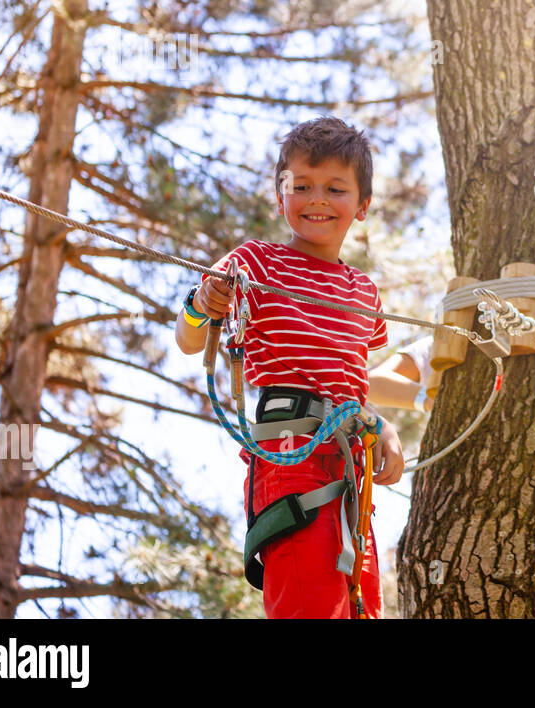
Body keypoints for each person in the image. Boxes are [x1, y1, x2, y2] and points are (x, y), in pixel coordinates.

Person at [174, 116, 422, 619]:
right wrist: (204, 302)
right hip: (291, 457)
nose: (317, 199)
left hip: (353, 465)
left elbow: (348, 381)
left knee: (360, 607)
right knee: (310, 603)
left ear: (363, 205)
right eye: (301, 186)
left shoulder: (363, 292)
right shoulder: (257, 264)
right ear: (280, 194)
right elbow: (188, 339)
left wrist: (382, 423)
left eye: (336, 188)